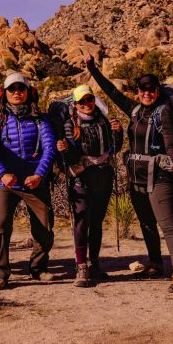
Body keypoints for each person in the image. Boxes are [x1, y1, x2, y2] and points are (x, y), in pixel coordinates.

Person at [86, 55, 173, 293]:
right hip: (136, 178)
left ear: (158, 91)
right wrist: (92, 69)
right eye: (143, 89)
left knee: (169, 226)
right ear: (137, 91)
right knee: (146, 223)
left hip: (160, 178)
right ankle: (155, 263)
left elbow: (171, 144)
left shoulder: (162, 112)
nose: (147, 93)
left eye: (151, 89)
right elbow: (111, 91)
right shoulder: (134, 110)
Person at [0, 72, 57, 291]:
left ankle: (38, 268)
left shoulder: (40, 120)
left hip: (35, 182)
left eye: (20, 89)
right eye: (12, 89)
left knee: (44, 226)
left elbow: (49, 148)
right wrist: (2, 174)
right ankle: (0, 274)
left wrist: (40, 174)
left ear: (28, 92)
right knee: (1, 226)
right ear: (4, 94)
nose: (16, 93)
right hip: (6, 183)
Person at [54, 84, 123, 287]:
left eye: (89, 100)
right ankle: (81, 266)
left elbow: (115, 148)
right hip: (81, 178)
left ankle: (95, 263)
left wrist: (118, 133)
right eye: (81, 101)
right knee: (82, 220)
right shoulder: (69, 125)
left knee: (97, 220)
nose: (86, 104)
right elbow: (71, 157)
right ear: (75, 105)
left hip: (103, 176)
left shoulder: (104, 121)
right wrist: (64, 149)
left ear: (94, 100)